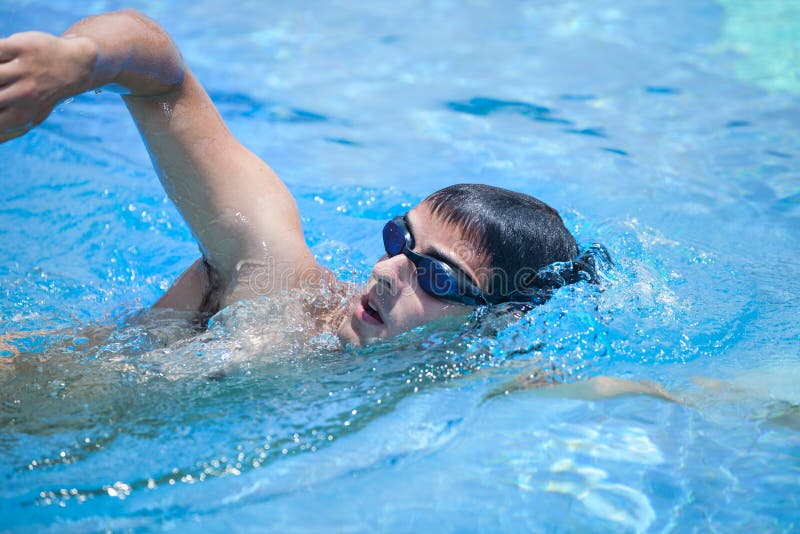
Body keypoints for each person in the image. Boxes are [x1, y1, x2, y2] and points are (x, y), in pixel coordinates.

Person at [0, 9, 601, 350]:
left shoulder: (462, 376)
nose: (387, 271)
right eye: (401, 241)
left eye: (437, 275)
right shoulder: (273, 278)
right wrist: (76, 61)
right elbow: (161, 74)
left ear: (493, 321)